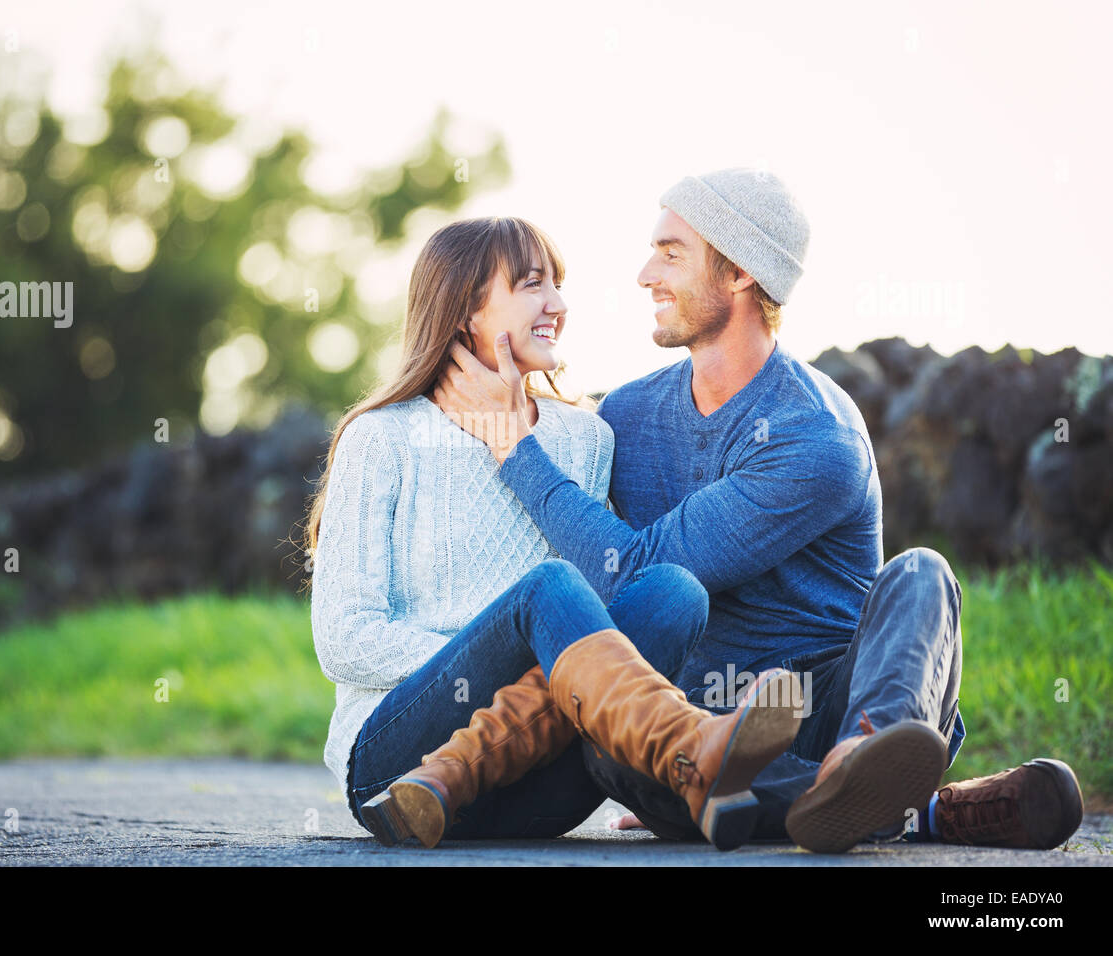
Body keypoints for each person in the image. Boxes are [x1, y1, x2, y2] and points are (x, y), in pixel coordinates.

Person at [432, 168, 1085, 853]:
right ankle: (895, 808)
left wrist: (517, 451)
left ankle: (864, 759)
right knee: (607, 752)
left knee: (922, 574)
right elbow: (597, 572)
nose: (646, 273)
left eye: (671, 252)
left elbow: (639, 568)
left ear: (740, 273)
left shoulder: (814, 436)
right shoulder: (626, 414)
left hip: (829, 706)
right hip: (704, 734)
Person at [305, 216, 802, 852]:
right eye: (533, 285)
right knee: (548, 591)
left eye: (558, 286)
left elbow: (608, 588)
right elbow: (344, 640)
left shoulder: (583, 438)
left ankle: (465, 776)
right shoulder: (383, 438)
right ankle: (696, 750)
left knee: (674, 592)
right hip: (391, 770)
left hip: (534, 791)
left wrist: (550, 659)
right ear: (465, 310)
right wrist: (507, 656)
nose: (558, 306)